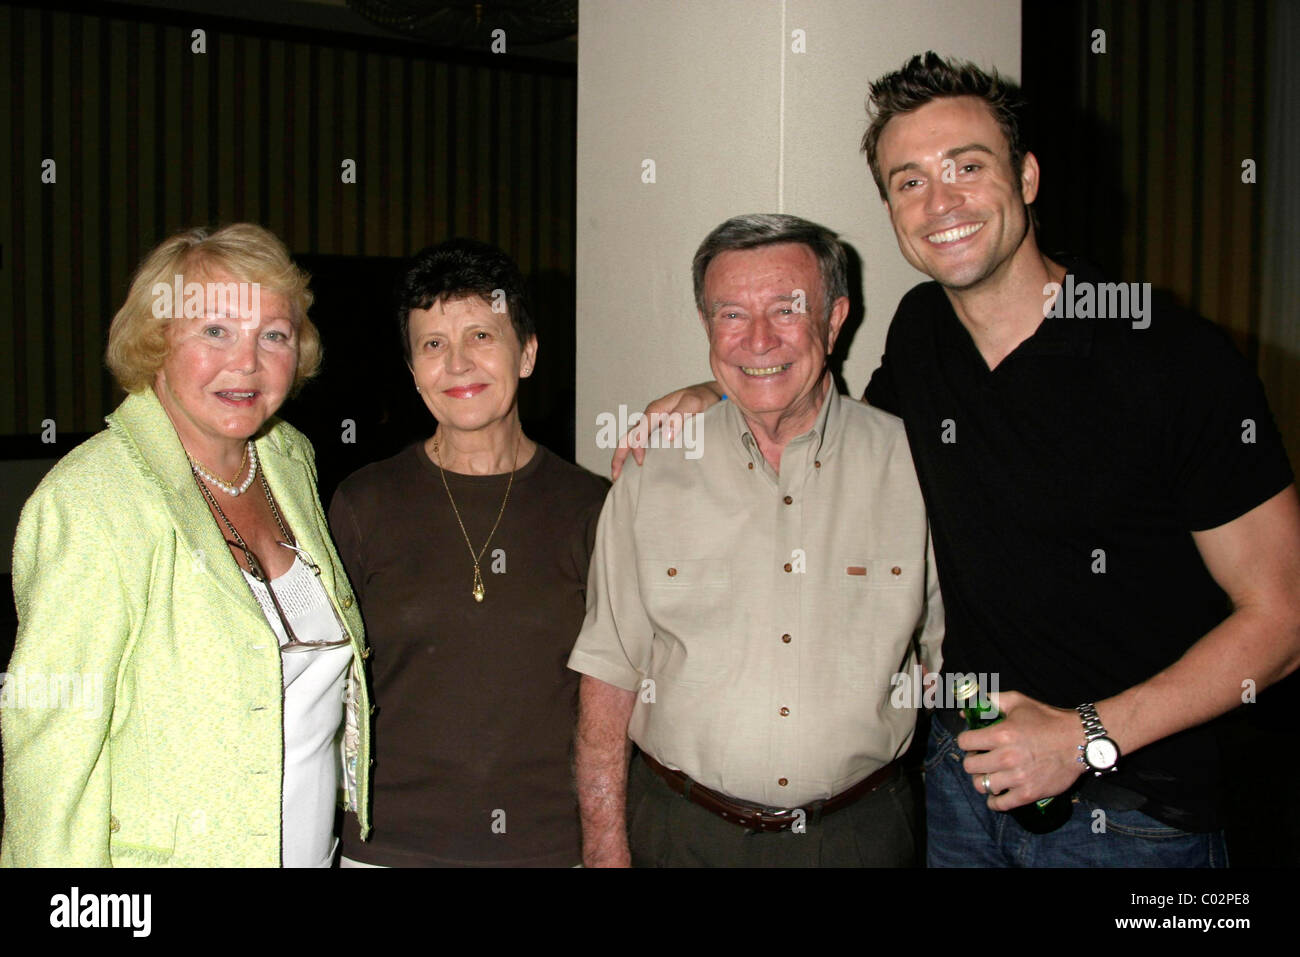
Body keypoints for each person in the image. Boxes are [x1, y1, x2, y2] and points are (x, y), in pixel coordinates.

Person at [612, 53, 1300, 867]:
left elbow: (1283, 618)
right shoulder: (921, 332)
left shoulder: (1171, 358)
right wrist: (721, 390)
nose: (940, 202)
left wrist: (1084, 736)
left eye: (967, 167)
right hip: (955, 784)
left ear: (1027, 177)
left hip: (1129, 812)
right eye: (910, 181)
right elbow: (843, 433)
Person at [571, 214, 943, 868]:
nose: (759, 339)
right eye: (732, 314)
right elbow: (609, 673)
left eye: (786, 309)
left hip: (860, 836)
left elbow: (953, 654)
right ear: (706, 325)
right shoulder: (652, 470)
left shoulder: (915, 468)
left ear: (834, 319)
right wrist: (604, 847)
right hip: (680, 834)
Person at [0, 223, 372, 867]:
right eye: (215, 330)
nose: (247, 362)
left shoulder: (287, 459)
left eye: (274, 335)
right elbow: (52, 757)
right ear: (156, 339)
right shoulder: (92, 501)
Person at [329, 238, 609, 868]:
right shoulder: (363, 503)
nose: (457, 364)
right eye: (433, 344)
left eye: (481, 336)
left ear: (527, 352)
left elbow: (619, 696)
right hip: (388, 849)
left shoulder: (591, 509)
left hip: (546, 848)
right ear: (413, 371)